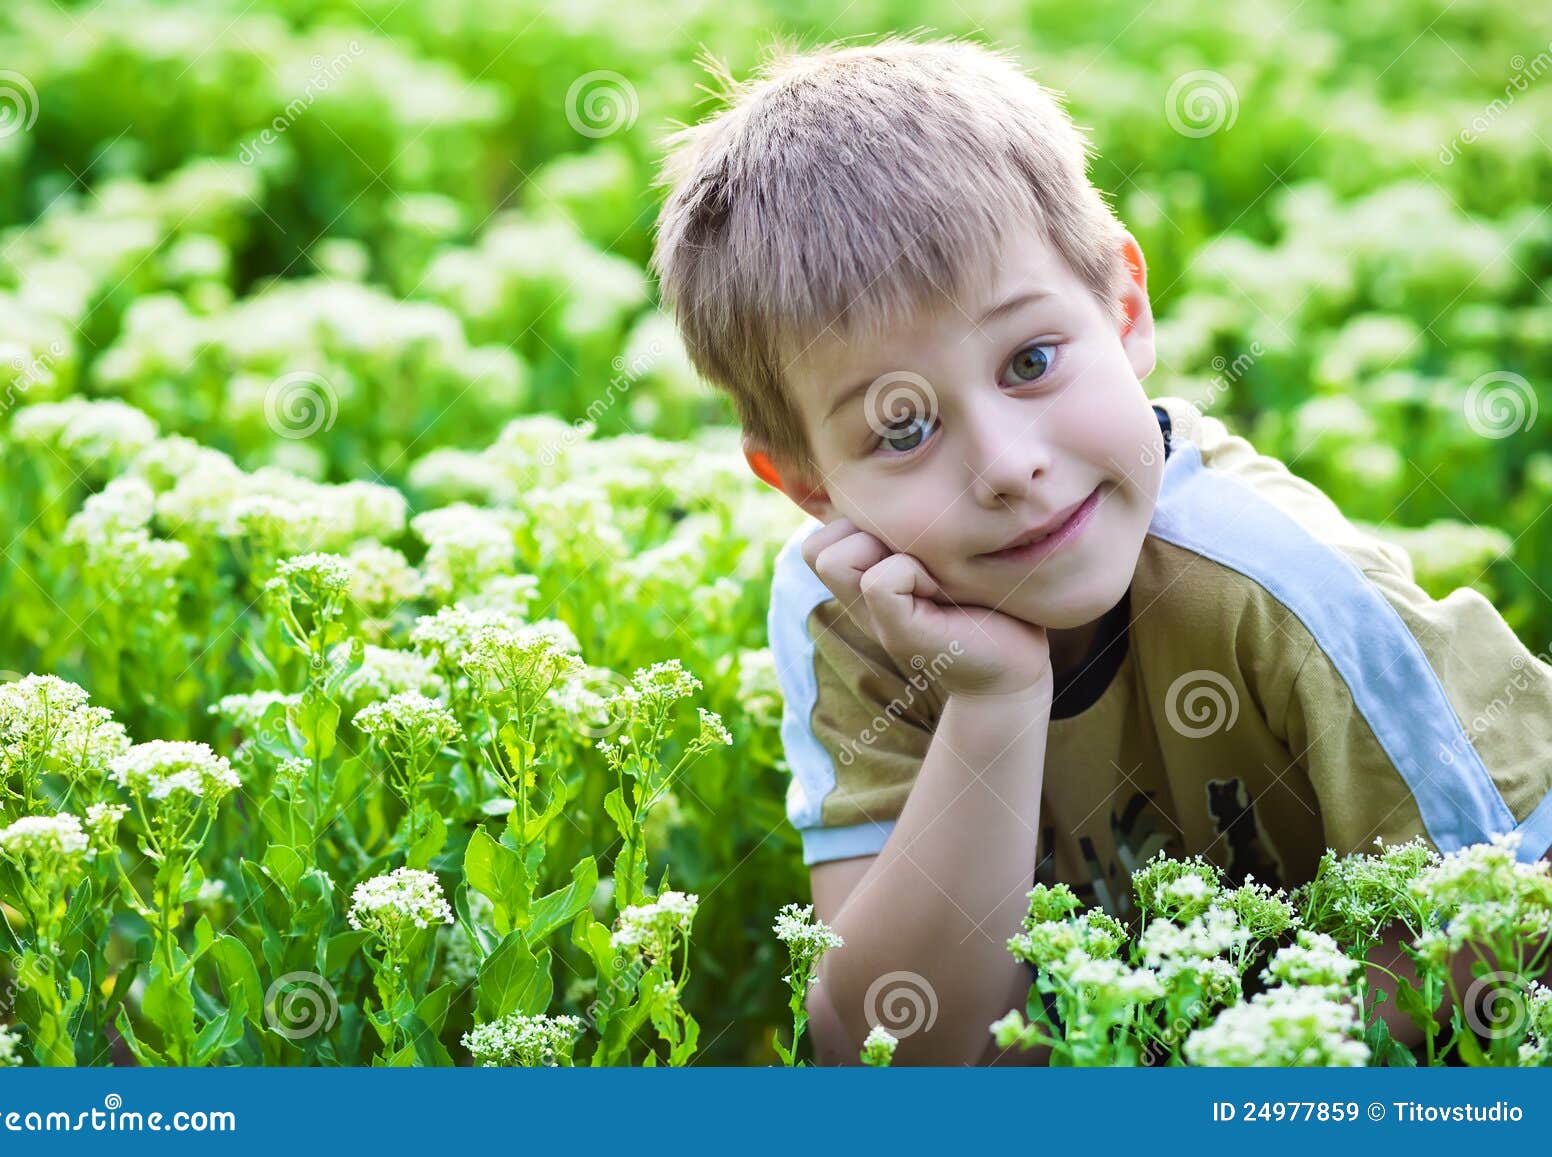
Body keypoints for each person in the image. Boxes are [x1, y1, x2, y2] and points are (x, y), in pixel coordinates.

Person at [648, 32, 1552, 1065]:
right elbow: (888, 1052)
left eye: (1030, 359)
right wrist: (990, 706)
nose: (1006, 464)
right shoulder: (844, 613)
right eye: (901, 428)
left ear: (1125, 308)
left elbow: (1516, 906)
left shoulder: (1276, 582)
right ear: (808, 485)